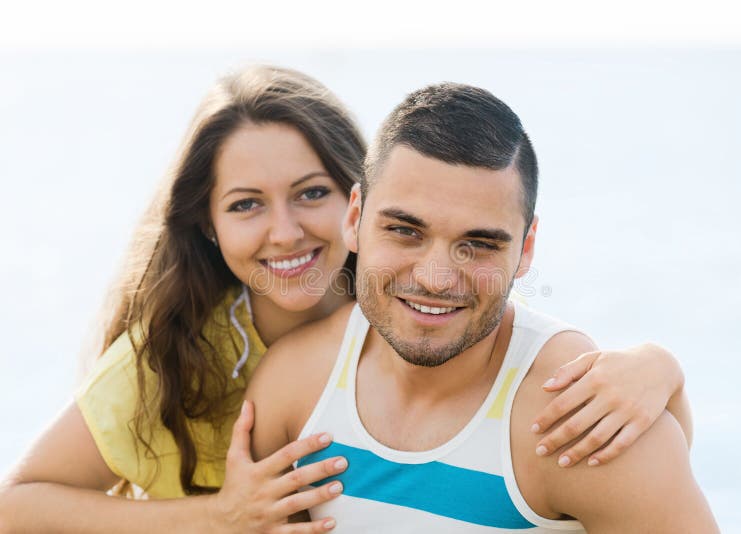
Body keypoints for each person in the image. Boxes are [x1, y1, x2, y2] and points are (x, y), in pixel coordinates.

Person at [0, 66, 689, 533]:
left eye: (310, 194)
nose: (285, 232)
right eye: (246, 205)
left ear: (349, 204)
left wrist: (662, 371)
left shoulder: (548, 397)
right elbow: (18, 505)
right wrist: (217, 518)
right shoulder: (208, 362)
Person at [245, 82, 718, 532]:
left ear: (526, 248)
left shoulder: (583, 421)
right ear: (355, 217)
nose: (435, 278)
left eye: (479, 243)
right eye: (405, 231)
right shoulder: (296, 383)